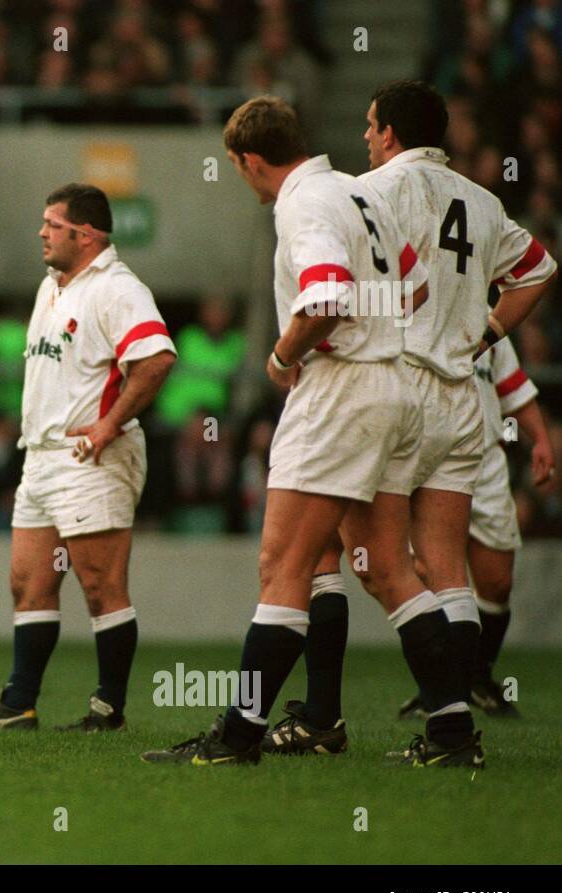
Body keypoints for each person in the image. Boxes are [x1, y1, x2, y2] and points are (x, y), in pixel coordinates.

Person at [140, 96, 483, 767]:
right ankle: (451, 734)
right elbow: (412, 289)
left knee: (282, 564)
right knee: (389, 567)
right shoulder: (358, 192)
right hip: (397, 386)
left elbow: (323, 297)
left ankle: (237, 736)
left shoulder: (302, 204)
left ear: (248, 160)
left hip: (342, 392)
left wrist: (282, 354)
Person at [263, 80, 557, 756]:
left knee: (344, 556)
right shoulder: (483, 201)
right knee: (446, 567)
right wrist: (484, 335)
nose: (365, 136)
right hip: (463, 397)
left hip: (392, 386)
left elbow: (350, 286)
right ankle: (451, 727)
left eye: (371, 125)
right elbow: (539, 269)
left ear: (390, 132)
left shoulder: (370, 191)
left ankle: (323, 713)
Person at [0, 183, 176, 732]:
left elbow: (157, 359)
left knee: (100, 587)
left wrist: (108, 424)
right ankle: (18, 705)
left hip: (90, 457)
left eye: (52, 224)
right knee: (28, 582)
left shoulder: (118, 288)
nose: (42, 232)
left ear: (87, 234)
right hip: (42, 458)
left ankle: (108, 710)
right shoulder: (50, 286)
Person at [399, 337, 555, 719]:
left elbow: (512, 384)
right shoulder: (406, 305)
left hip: (485, 457)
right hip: (427, 454)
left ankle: (476, 676)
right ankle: (439, 688)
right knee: (430, 576)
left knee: (498, 582)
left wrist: (541, 439)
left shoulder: (489, 317)